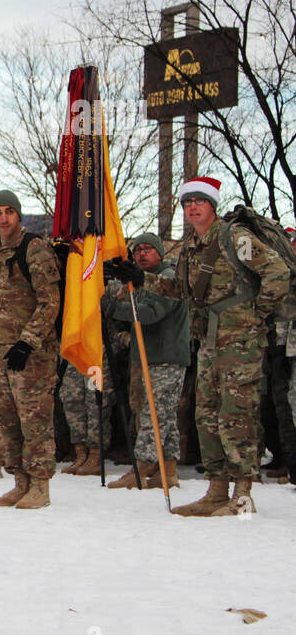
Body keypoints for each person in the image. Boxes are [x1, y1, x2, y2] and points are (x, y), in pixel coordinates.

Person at [112, 177, 289, 515]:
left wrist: (256, 314)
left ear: (212, 205)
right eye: (186, 202)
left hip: (239, 344)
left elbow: (277, 272)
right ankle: (217, 491)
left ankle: (242, 494)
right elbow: (181, 290)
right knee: (206, 416)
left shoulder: (234, 237)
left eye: (199, 201)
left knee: (237, 416)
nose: (192, 207)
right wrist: (139, 279)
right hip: (208, 343)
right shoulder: (193, 245)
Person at [0, 190, 61, 509]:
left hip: (32, 355)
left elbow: (50, 302)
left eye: (9, 211)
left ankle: (40, 485)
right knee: (7, 419)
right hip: (0, 353)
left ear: (18, 215)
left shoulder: (34, 249)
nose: (3, 217)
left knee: (34, 420)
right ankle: (20, 481)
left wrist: (27, 342)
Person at [105, 232, 190, 489]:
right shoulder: (141, 281)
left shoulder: (168, 278)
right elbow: (126, 299)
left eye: (147, 249)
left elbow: (151, 313)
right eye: (138, 249)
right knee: (163, 416)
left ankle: (142, 466)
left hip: (165, 357)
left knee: (154, 414)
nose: (141, 253)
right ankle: (169, 469)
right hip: (147, 357)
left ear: (160, 253)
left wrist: (111, 309)